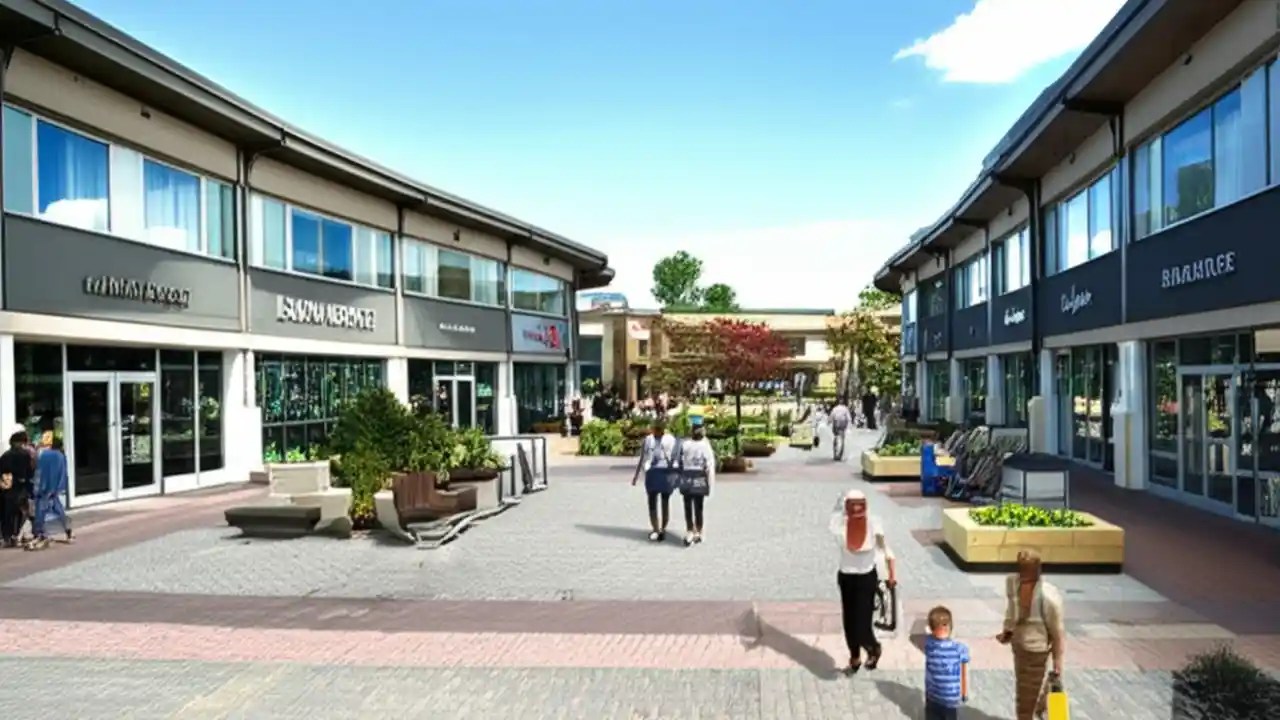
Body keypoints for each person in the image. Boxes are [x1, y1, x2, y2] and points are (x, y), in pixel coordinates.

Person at [830, 489, 897, 674]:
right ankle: (855, 655)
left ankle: (873, 647)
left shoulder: (874, 523)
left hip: (867, 577)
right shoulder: (839, 524)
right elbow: (835, 513)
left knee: (862, 622)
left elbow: (885, 548)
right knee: (849, 620)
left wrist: (892, 573)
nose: (857, 508)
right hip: (846, 576)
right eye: (853, 504)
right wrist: (842, 498)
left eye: (861, 504)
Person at [997, 549, 1065, 720]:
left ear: (1037, 570)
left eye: (1027, 570)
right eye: (1021, 569)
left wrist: (1057, 661)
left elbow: (1057, 632)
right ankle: (1038, 709)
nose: (1023, 574)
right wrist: (1008, 630)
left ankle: (1033, 712)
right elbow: (1012, 610)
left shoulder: (1048, 597)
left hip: (1036, 650)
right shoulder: (1012, 583)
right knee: (1023, 692)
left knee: (1027, 698)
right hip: (1018, 645)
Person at [631, 419, 679, 542]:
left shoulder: (670, 439)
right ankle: (655, 528)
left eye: (659, 429)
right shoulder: (648, 440)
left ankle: (663, 528)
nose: (657, 431)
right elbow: (642, 457)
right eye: (655, 428)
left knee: (665, 501)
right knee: (652, 501)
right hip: (652, 471)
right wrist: (636, 476)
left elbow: (676, 457)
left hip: (665, 471)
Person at [924, 605, 970, 720]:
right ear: (950, 627)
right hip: (950, 697)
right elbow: (963, 673)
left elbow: (929, 636)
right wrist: (964, 693)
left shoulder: (929, 644)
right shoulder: (960, 649)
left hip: (932, 695)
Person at [678, 419, 716, 546]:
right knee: (698, 505)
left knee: (688, 505)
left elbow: (680, 461)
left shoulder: (685, 444)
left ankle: (690, 530)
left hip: (688, 475)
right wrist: (710, 483)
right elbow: (710, 465)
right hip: (699, 475)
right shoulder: (705, 445)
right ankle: (698, 531)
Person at [30, 437, 72, 550]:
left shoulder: (44, 455)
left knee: (40, 510)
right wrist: (58, 487)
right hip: (54, 489)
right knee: (58, 509)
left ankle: (40, 533)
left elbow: (38, 471)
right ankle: (67, 531)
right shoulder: (60, 456)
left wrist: (37, 487)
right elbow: (61, 473)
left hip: (42, 488)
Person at [0, 430, 36, 548]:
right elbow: (30, 472)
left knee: (8, 513)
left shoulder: (5, 455)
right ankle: (21, 535)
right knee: (24, 512)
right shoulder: (25, 455)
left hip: (7, 488)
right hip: (21, 487)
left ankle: (8, 536)